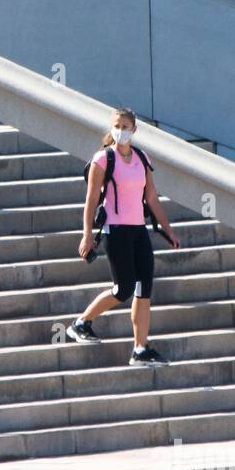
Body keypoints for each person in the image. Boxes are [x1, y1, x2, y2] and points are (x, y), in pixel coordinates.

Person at [69, 107, 181, 364]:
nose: (121, 131)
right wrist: (86, 235)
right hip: (115, 231)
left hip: (138, 230)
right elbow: (91, 200)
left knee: (144, 289)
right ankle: (81, 323)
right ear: (112, 128)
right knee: (123, 289)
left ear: (134, 129)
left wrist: (168, 229)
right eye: (117, 126)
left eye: (125, 126)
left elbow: (151, 197)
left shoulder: (142, 158)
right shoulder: (103, 159)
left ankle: (140, 348)